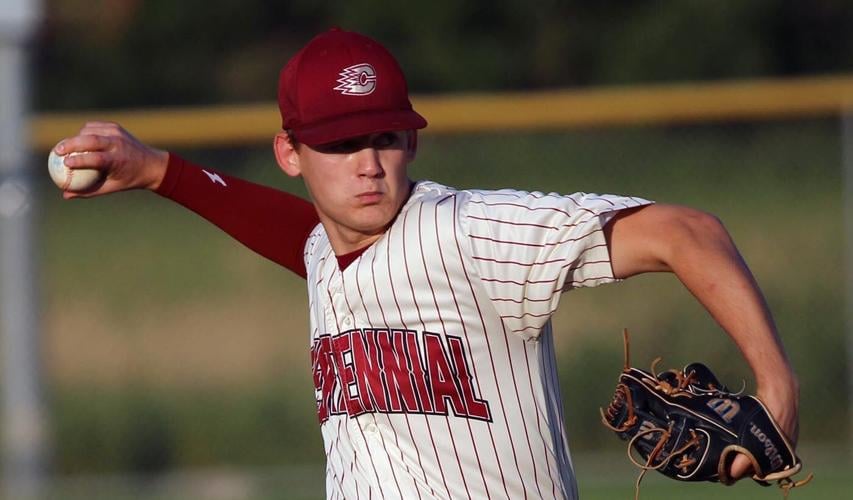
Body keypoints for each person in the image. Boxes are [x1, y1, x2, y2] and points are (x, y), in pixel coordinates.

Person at [53, 28, 799, 499]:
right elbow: (302, 237)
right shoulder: (324, 250)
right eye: (339, 146)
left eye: (382, 136)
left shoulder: (474, 232)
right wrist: (158, 172)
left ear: (411, 140)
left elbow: (686, 232)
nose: (367, 164)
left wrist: (776, 391)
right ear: (291, 154)